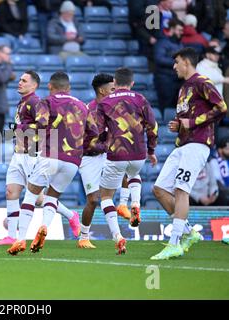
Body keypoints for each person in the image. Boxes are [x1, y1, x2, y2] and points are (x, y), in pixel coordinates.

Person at [7, 71, 99, 255]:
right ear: (69, 88)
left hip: (50, 155)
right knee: (52, 198)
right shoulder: (82, 105)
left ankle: (20, 239)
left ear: (50, 86)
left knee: (31, 196)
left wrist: (19, 128)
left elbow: (40, 124)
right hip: (73, 160)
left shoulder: (46, 102)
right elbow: (94, 132)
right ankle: (44, 227)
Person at [152, 48, 227, 260]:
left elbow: (221, 107)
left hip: (198, 145)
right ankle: (188, 232)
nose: (174, 67)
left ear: (186, 62)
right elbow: (187, 119)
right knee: (158, 189)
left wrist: (191, 123)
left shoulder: (202, 81)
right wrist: (180, 128)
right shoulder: (183, 88)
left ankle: (174, 243)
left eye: (176, 62)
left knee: (181, 190)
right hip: (183, 145)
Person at [0, 70, 80, 246]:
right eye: (20, 80)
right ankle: (11, 235)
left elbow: (43, 125)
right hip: (19, 154)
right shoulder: (22, 102)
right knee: (11, 192)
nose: (20, 83)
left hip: (33, 154)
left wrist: (21, 127)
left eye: (24, 81)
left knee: (38, 198)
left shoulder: (35, 102)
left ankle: (71, 215)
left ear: (34, 85)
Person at [97, 68, 158, 255]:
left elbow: (98, 130)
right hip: (138, 154)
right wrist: (151, 151)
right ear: (132, 82)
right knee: (133, 173)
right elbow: (153, 127)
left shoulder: (106, 101)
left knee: (106, 196)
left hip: (116, 155)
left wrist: (102, 143)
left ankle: (118, 236)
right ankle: (136, 204)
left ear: (114, 82)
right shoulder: (141, 99)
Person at [77, 73, 117, 249]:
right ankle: (83, 237)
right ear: (102, 90)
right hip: (89, 157)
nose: (115, 91)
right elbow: (87, 142)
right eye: (112, 89)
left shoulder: (115, 108)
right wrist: (108, 144)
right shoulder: (90, 111)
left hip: (106, 154)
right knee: (93, 200)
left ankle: (127, 205)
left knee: (126, 170)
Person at [154, 18, 184, 112]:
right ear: (172, 29)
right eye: (179, 30)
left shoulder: (180, 44)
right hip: (165, 80)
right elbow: (159, 59)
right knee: (166, 106)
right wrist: (177, 62)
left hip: (178, 80)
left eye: (182, 30)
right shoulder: (162, 42)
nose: (181, 32)